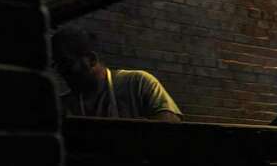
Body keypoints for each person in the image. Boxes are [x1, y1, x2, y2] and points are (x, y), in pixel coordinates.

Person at [51, 28, 182, 121]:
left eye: (66, 63)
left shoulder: (139, 83)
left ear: (91, 60)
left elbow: (171, 124)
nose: (61, 71)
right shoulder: (63, 105)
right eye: (56, 65)